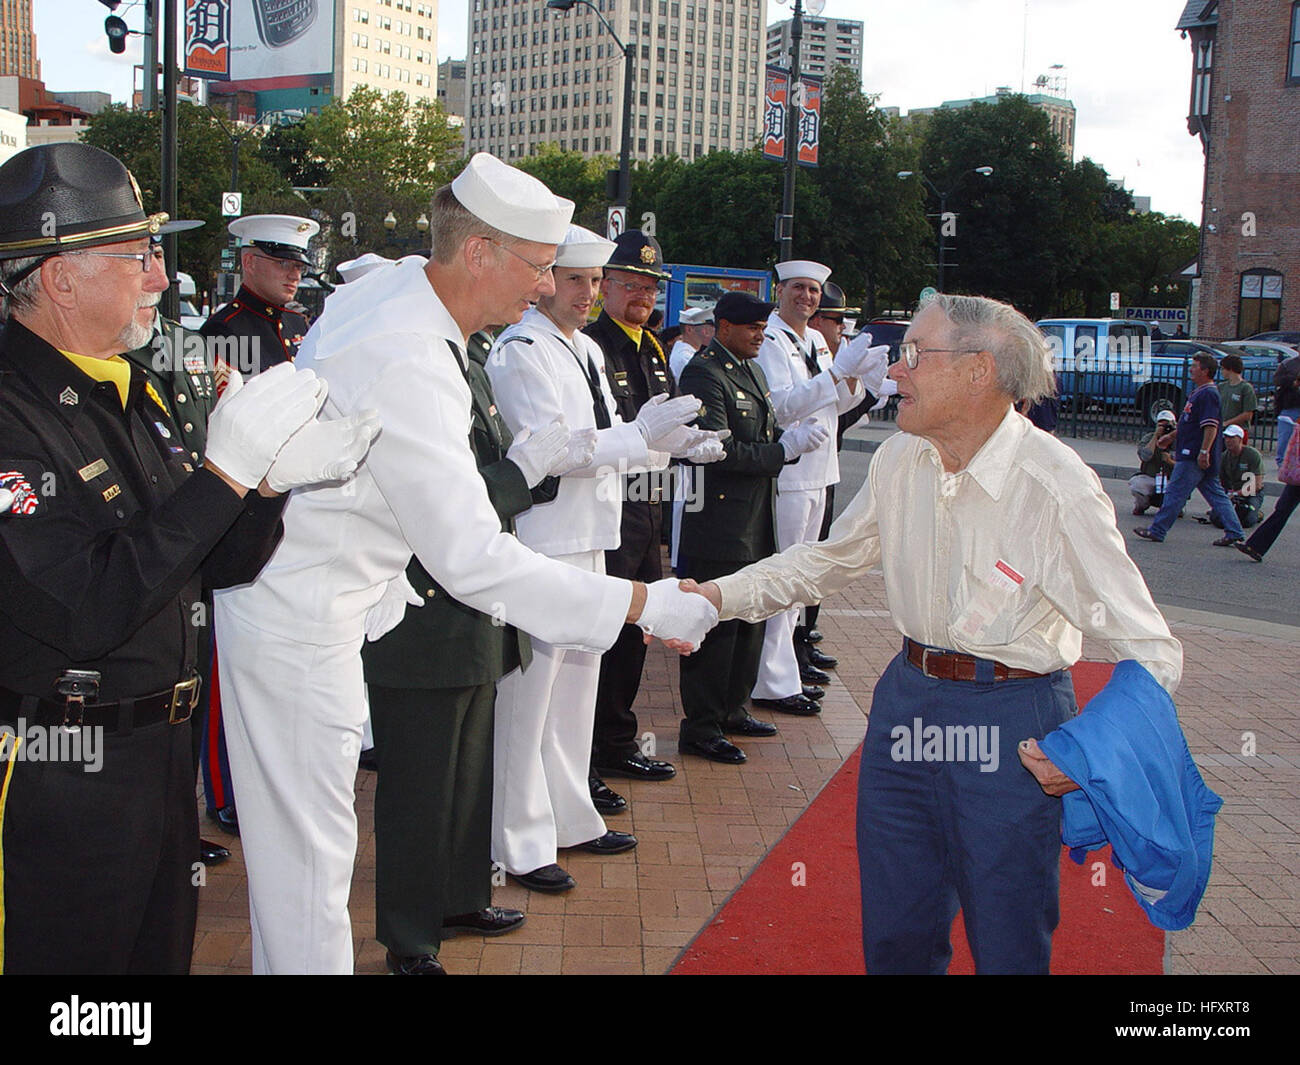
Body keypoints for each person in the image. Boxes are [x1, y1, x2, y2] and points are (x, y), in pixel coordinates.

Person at [212, 153, 718, 975]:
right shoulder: (410, 350)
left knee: (310, 856)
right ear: (477, 251)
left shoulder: (406, 292)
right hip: (301, 612)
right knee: (308, 862)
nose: (546, 286)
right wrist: (645, 606)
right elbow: (474, 558)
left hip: (330, 591)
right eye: (539, 265)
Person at [680, 293, 1183, 974]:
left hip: (1016, 723)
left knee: (1008, 936)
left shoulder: (1055, 484)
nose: (894, 373)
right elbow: (828, 558)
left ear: (980, 370)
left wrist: (1089, 751)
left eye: (916, 355)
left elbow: (1151, 648)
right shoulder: (900, 459)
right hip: (907, 707)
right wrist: (715, 597)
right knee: (896, 932)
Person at [0, 142, 373, 974]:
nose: (161, 278)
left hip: (163, 763)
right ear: (59, 276)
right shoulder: (13, 412)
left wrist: (265, 483)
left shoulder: (137, 386)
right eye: (137, 255)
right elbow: (83, 608)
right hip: (62, 773)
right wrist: (223, 476)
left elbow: (218, 564)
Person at [485, 225, 724, 888]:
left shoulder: (583, 349)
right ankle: (516, 839)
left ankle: (568, 816)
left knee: (574, 696)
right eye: (575, 279)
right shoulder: (521, 350)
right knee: (528, 700)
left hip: (594, 534)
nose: (588, 293)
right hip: (545, 537)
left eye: (594, 281)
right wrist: (638, 439)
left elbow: (610, 440)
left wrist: (666, 448)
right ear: (544, 280)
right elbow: (552, 451)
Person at [676, 292, 829, 764]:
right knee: (715, 626)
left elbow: (759, 433)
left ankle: (734, 708)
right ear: (723, 327)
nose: (761, 336)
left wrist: (784, 442)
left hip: (754, 516)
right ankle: (702, 725)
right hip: (719, 522)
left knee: (750, 619)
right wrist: (783, 452)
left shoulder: (751, 369)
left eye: (764, 328)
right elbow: (718, 452)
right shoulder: (705, 372)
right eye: (752, 329)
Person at [751, 261, 882, 715]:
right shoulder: (770, 341)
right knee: (782, 576)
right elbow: (782, 408)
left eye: (814, 291)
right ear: (781, 291)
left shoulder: (812, 341)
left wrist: (861, 379)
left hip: (819, 472)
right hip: (790, 475)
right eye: (799, 289)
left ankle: (783, 671)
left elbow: (838, 403)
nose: (807, 297)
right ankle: (770, 678)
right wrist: (833, 374)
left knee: (800, 581)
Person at [582, 230, 682, 799]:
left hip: (646, 507)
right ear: (607, 288)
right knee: (604, 630)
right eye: (632, 284)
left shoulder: (652, 346)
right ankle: (591, 753)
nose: (644, 294)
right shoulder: (597, 343)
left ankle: (617, 742)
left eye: (651, 286)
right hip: (608, 506)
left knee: (636, 632)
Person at [1135, 353, 1245, 546]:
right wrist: (1171, 436)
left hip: (1193, 454)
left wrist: (1204, 452)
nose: (1191, 370)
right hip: (1194, 452)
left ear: (1205, 370)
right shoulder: (1199, 392)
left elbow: (1210, 426)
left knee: (1175, 493)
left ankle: (1158, 530)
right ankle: (1235, 531)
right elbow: (1189, 424)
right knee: (1215, 494)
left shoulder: (1208, 394)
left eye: (1195, 366)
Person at [200, 214, 318, 375]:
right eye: (283, 263)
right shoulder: (223, 329)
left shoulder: (297, 323)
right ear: (249, 262)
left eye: (299, 266)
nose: (295, 276)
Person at [1213, 425, 1264, 529]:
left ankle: (1256, 513)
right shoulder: (1224, 456)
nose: (1228, 441)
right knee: (1216, 520)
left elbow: (1257, 485)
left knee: (1247, 521)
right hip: (1232, 492)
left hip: (1251, 493)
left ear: (1240, 439)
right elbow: (1219, 480)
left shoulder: (1252, 455)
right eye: (1226, 437)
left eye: (1232, 438)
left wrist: (1237, 493)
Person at [1129, 410, 1177, 515]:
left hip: (1170, 479)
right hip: (1151, 477)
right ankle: (1142, 505)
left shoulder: (1179, 440)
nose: (1164, 428)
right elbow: (1145, 456)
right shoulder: (1148, 438)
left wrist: (1170, 461)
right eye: (1161, 424)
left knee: (1183, 485)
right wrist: (1156, 437)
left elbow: (1185, 467)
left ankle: (1174, 507)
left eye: (1167, 424)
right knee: (1136, 484)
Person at [668, 306, 716, 383]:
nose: (712, 332)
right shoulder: (685, 358)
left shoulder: (690, 353)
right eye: (706, 329)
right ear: (689, 330)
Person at [1216, 353, 1257, 434]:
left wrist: (1227, 423)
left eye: (1223, 369)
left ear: (1230, 369)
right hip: (1222, 430)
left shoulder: (1246, 388)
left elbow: (1248, 414)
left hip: (1238, 431)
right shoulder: (1221, 387)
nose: (1221, 372)